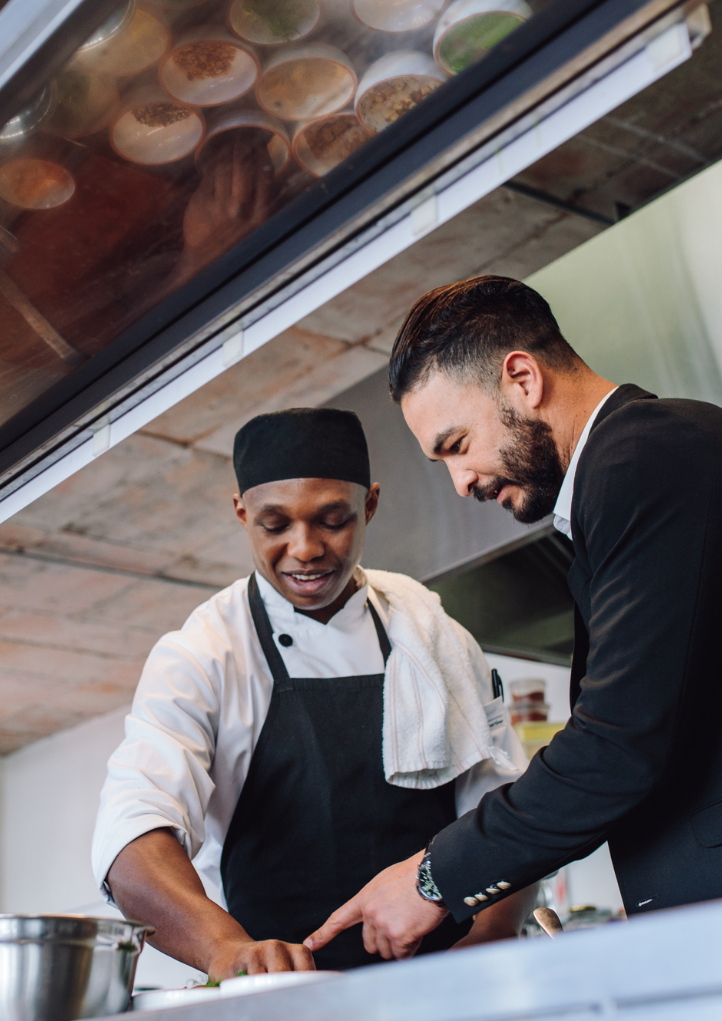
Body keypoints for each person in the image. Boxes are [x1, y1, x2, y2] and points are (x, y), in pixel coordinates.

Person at [304, 275, 722, 962]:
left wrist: (433, 877)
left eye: (456, 445)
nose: (462, 484)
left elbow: (622, 739)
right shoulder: (624, 479)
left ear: (521, 378)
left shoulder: (650, 456)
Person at [92, 407, 533, 980]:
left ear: (369, 505)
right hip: (281, 992)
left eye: (332, 519)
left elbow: (503, 809)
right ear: (241, 512)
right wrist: (223, 948)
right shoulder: (203, 654)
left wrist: (491, 937)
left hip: (448, 981)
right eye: (275, 526)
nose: (305, 549)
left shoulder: (433, 634)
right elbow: (132, 835)